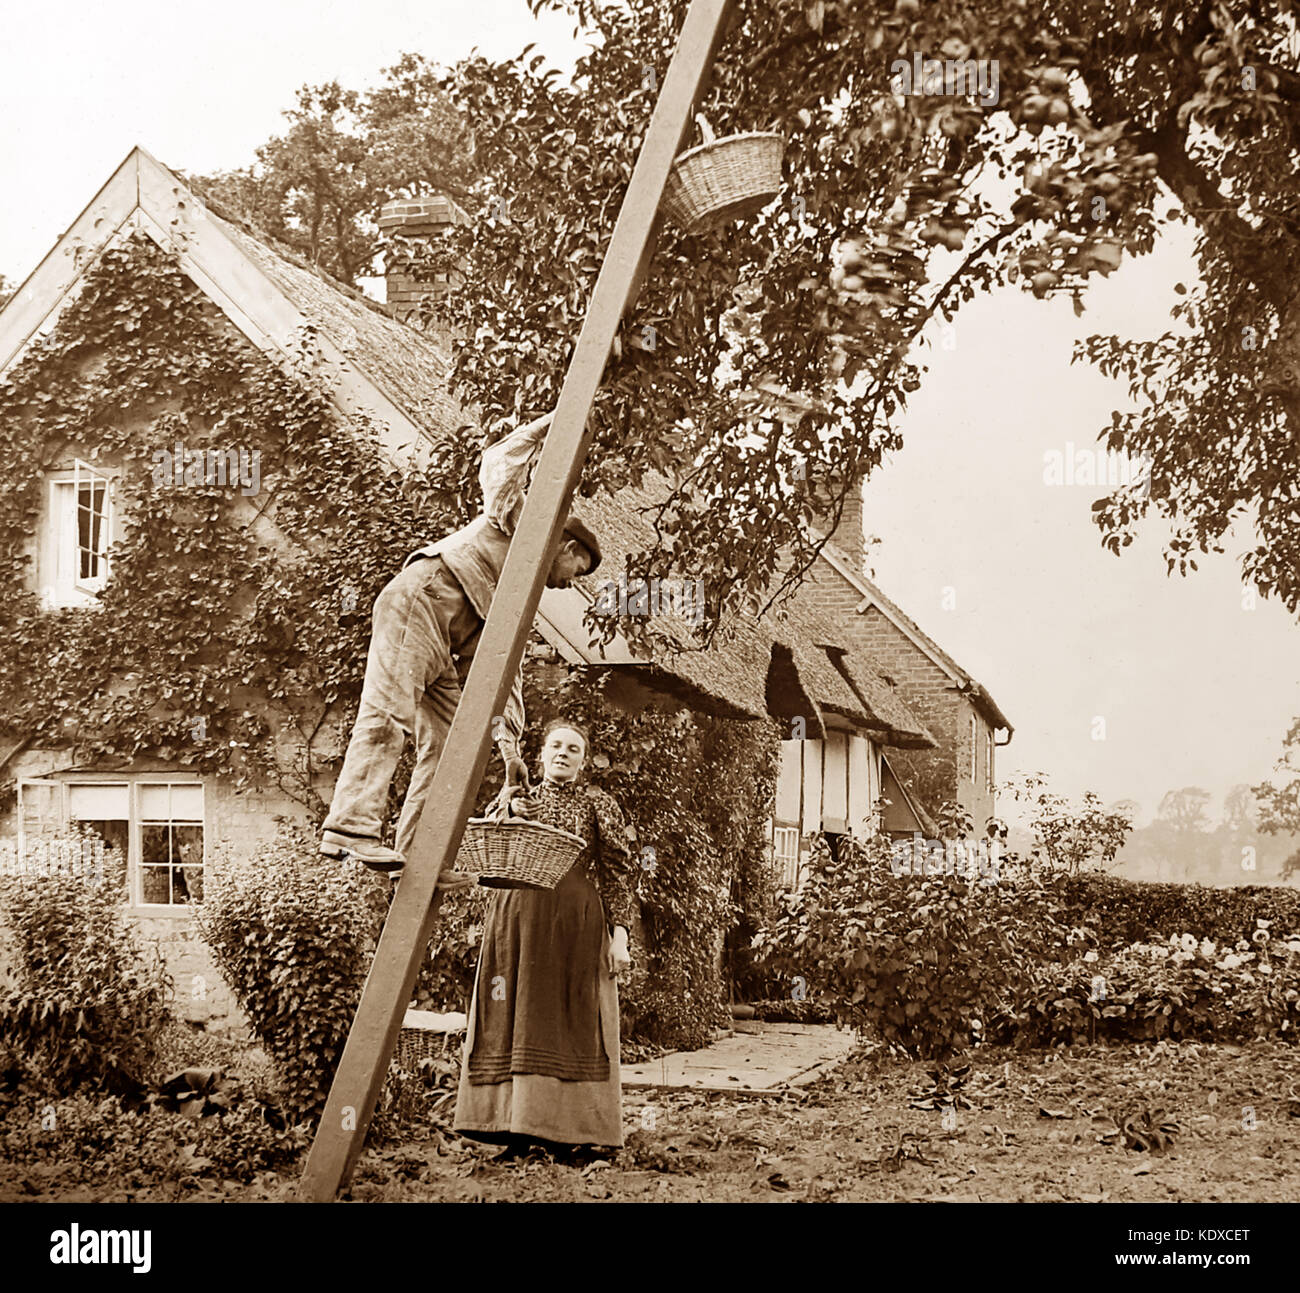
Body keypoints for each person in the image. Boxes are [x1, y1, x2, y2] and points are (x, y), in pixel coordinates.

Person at [320, 414, 602, 872]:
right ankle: (350, 829)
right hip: (422, 600)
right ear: (568, 549)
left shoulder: (521, 594)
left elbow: (501, 677)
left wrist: (510, 752)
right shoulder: (521, 526)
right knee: (389, 715)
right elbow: (498, 466)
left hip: (444, 643)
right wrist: (550, 426)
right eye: (579, 572)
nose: (572, 585)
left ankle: (420, 855)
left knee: (457, 745)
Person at [453, 718, 637, 1159]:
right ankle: (514, 1129)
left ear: (584, 760)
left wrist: (621, 937)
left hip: (574, 924)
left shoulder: (599, 804)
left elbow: (618, 873)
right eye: (555, 746)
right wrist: (511, 812)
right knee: (514, 1014)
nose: (562, 754)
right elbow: (488, 849)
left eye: (573, 749)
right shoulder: (517, 798)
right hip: (515, 921)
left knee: (573, 1018)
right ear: (539, 754)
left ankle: (574, 1133)